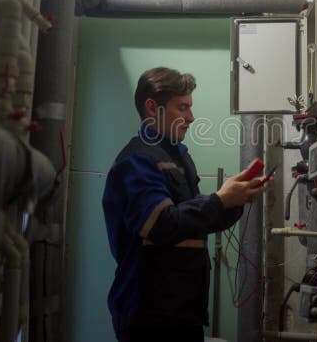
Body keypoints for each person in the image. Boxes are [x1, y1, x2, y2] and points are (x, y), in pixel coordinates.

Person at [102, 67, 269, 342]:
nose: (191, 118)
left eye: (190, 107)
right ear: (152, 108)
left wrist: (235, 200)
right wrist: (219, 199)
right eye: (182, 108)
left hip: (182, 313)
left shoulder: (178, 158)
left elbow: (192, 224)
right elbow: (161, 224)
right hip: (150, 317)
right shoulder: (137, 160)